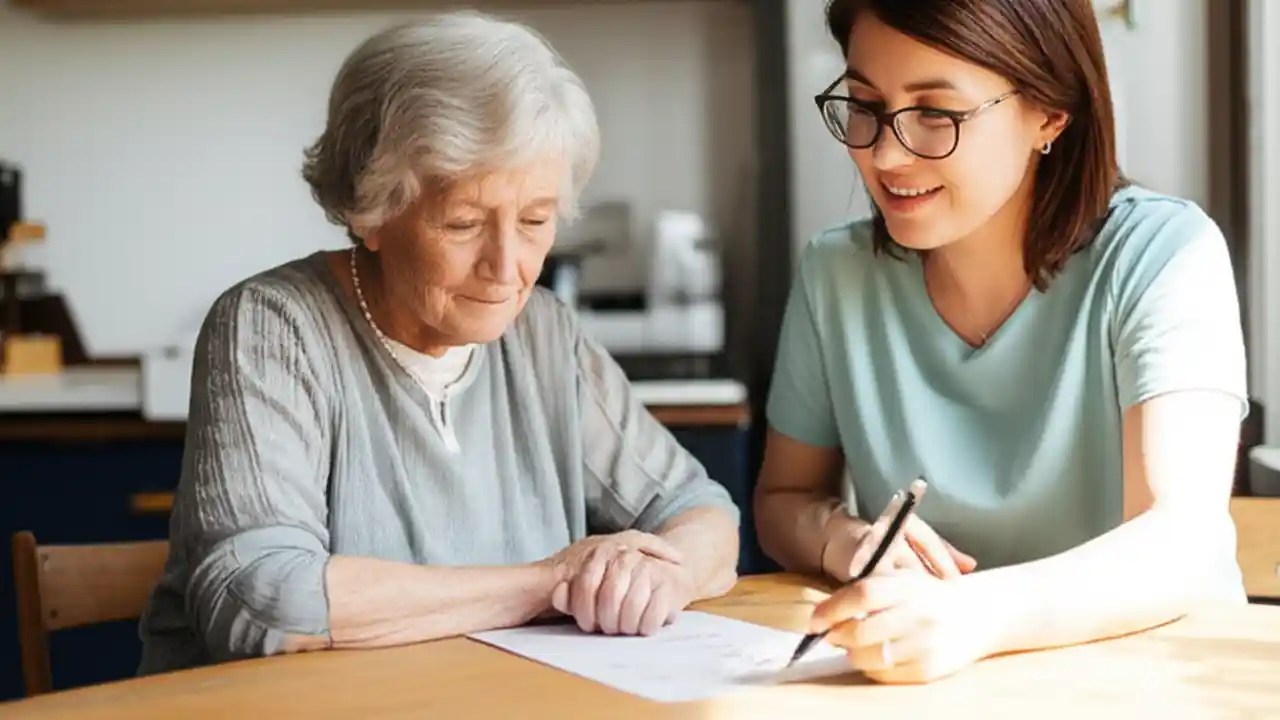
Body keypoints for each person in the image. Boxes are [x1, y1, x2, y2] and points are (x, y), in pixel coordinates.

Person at [137, 12, 740, 674]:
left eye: (535, 220)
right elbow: (264, 602)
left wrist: (661, 575)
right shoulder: (272, 327)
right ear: (371, 212)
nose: (506, 266)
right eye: (463, 223)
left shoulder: (544, 334)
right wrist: (551, 583)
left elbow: (701, 511)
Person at [755, 0, 1248, 684]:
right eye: (865, 105)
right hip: (935, 687)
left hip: (1161, 681)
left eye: (937, 113)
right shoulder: (835, 273)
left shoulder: (1163, 254)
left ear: (1049, 113)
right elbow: (782, 500)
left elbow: (1182, 539)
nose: (885, 154)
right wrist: (851, 541)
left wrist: (974, 615)